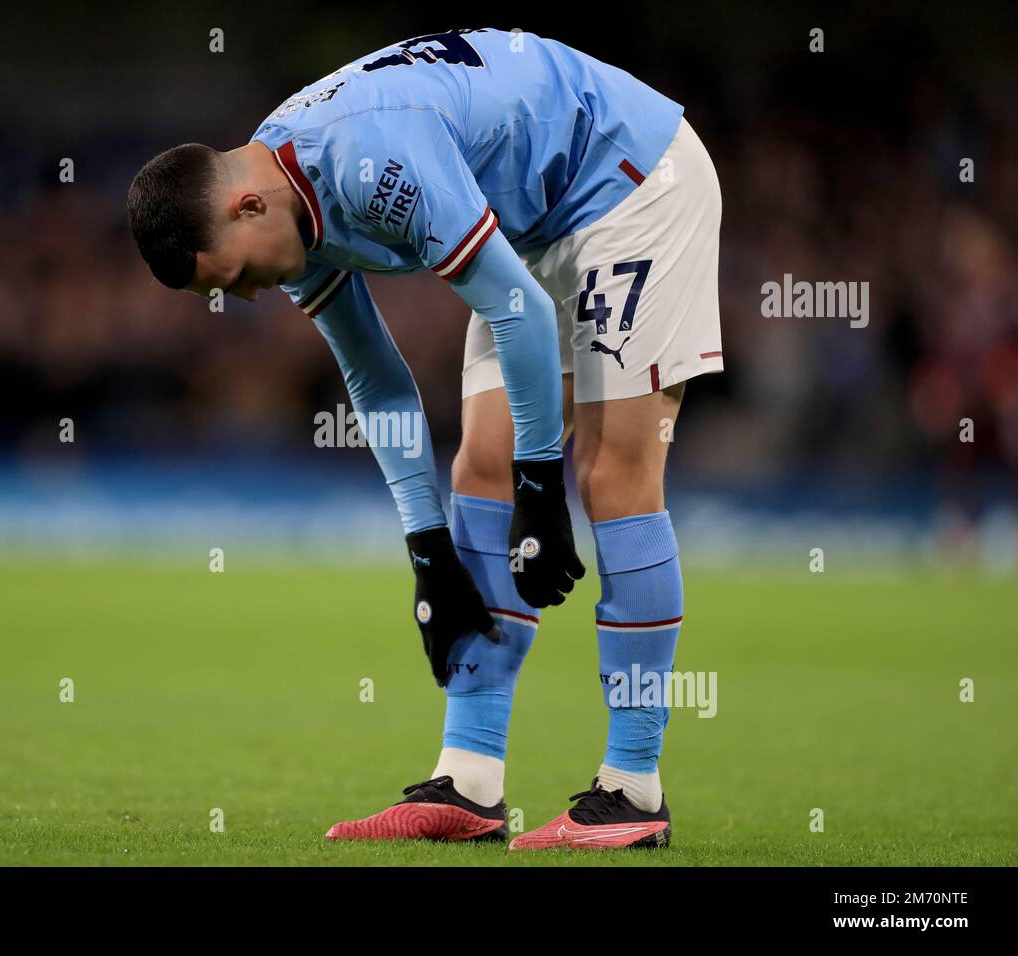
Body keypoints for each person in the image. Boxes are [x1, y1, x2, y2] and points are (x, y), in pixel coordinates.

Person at [127, 27, 722, 850]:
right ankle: (471, 783)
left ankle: (633, 787)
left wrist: (544, 490)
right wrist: (426, 546)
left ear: (246, 206)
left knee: (609, 475)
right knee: (481, 468)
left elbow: (516, 311)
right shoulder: (283, 201)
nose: (254, 296)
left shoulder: (374, 160)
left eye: (235, 278)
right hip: (536, 219)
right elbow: (375, 377)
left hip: (630, 180)